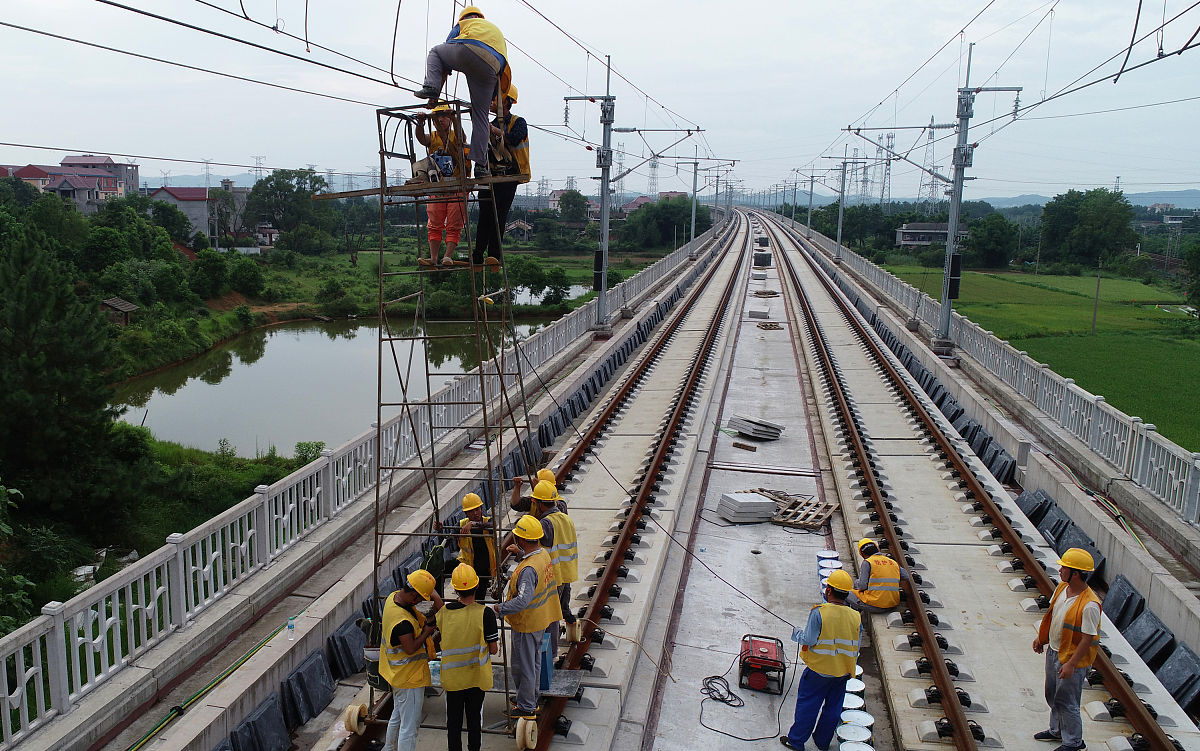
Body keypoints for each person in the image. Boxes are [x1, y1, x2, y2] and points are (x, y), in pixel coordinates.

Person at [414, 6, 509, 179]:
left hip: (469, 49)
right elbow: (501, 72)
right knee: (480, 116)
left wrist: (434, 96)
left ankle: (430, 86)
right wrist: (490, 97)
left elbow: (444, 63)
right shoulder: (493, 30)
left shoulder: (463, 24)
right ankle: (481, 165)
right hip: (493, 66)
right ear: (481, 17)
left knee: (436, 51)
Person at [781, 569, 862, 751]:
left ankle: (796, 741)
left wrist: (796, 633)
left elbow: (809, 639)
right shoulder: (856, 617)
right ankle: (822, 742)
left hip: (818, 671)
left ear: (829, 591)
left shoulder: (819, 613)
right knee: (833, 709)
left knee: (808, 707)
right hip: (842, 672)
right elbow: (856, 646)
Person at [1032, 548, 1101, 751]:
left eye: (1064, 567)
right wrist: (1041, 638)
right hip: (1055, 651)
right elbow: (1054, 615)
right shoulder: (1062, 588)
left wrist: (1071, 664)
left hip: (1072, 660)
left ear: (1076, 573)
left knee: (1068, 701)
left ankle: (1074, 742)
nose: (1060, 569)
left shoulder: (1090, 605)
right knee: (1052, 694)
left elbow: (1088, 639)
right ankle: (1057, 730)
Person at [495, 514, 562, 718]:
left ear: (523, 540)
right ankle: (529, 697)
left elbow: (523, 600)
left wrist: (500, 608)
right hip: (540, 619)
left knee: (523, 665)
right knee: (533, 663)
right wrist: (520, 554)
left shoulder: (528, 570)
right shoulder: (542, 556)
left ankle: (526, 706)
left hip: (527, 623)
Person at [436, 563, 500, 751]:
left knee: (453, 723)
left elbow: (438, 615)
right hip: (476, 678)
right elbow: (494, 649)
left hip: (453, 679)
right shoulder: (485, 614)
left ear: (455, 588)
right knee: (474, 721)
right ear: (477, 585)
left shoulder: (444, 614)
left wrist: (434, 595)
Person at [379, 569, 443, 751]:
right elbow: (410, 648)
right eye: (421, 598)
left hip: (397, 675)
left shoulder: (393, 598)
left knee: (397, 716)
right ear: (414, 596)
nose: (422, 602)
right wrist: (427, 632)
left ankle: (389, 748)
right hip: (409, 678)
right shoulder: (403, 622)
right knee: (409, 728)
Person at [473, 84, 529, 268]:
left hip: (509, 176)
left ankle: (494, 255)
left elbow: (513, 138)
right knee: (485, 216)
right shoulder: (491, 124)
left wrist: (493, 131)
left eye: (495, 98)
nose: (491, 101)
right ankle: (478, 254)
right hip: (490, 174)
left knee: (499, 216)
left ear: (507, 101)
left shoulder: (518, 122)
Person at [414, 104, 468, 266]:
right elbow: (421, 139)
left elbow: (462, 138)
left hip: (456, 186)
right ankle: (434, 257)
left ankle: (448, 256)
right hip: (438, 186)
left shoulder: (455, 135)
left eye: (444, 116)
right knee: (434, 223)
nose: (441, 119)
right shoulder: (433, 137)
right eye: (438, 116)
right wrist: (420, 124)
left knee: (454, 223)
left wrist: (455, 118)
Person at [530, 479, 577, 655]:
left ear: (540, 504)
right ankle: (552, 652)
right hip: (566, 571)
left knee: (548, 616)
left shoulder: (546, 524)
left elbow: (536, 550)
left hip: (552, 576)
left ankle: (549, 654)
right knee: (557, 613)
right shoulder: (565, 518)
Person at [845, 537, 910, 614]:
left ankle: (853, 617)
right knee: (857, 584)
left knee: (844, 593)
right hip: (893, 604)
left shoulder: (868, 562)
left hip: (876, 605)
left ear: (863, 554)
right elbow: (906, 576)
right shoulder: (892, 562)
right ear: (877, 549)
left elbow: (862, 586)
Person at [455, 492, 498, 600]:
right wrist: (440, 529)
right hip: (467, 565)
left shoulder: (488, 522)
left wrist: (474, 524)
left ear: (481, 508)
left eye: (477, 509)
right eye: (471, 511)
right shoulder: (462, 524)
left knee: (479, 598)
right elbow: (448, 536)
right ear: (466, 513)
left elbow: (493, 526)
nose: (475, 513)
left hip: (484, 566)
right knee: (443, 569)